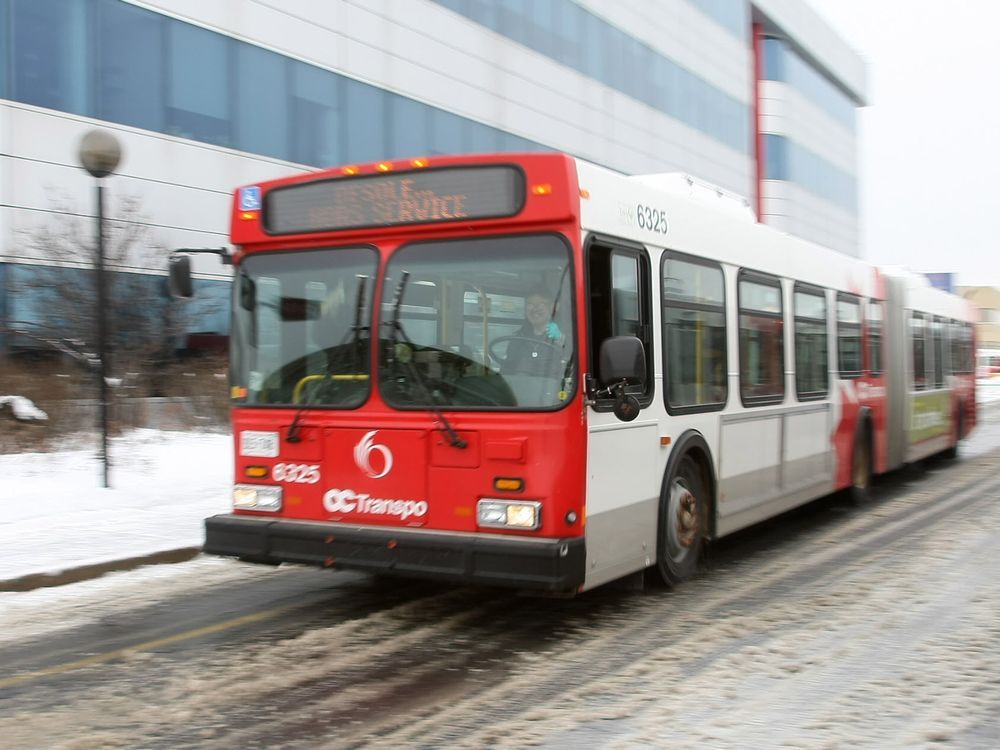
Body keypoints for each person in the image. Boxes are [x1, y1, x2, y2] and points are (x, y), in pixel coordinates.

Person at [500, 287, 564, 375]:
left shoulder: (568, 335)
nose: (535, 309)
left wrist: (561, 340)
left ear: (553, 307)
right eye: (530, 305)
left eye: (541, 304)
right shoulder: (517, 339)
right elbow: (506, 370)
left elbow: (571, 364)